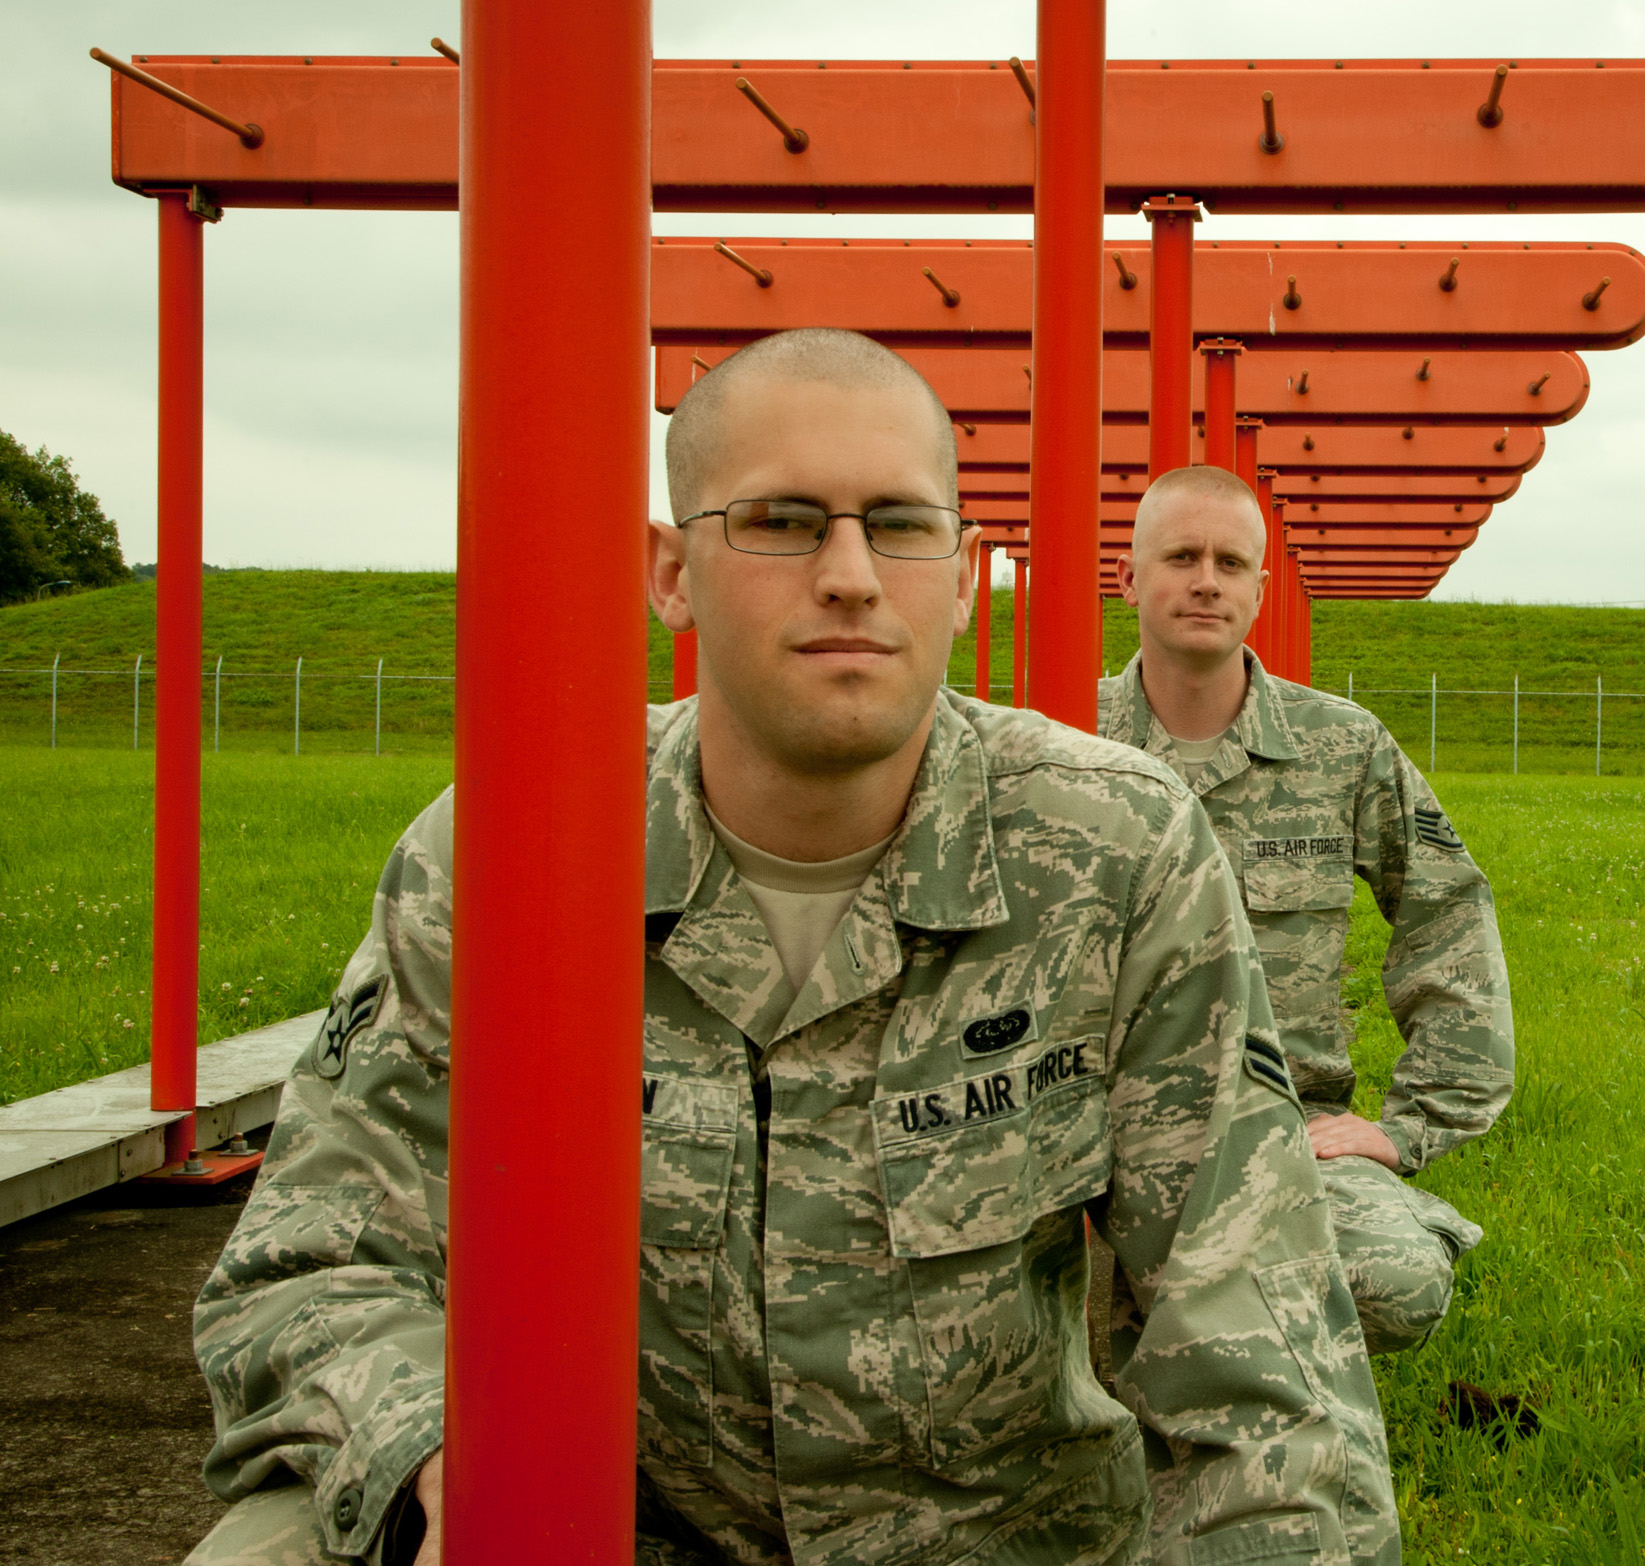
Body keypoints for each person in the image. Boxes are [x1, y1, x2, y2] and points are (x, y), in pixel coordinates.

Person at [186, 331, 1397, 1566]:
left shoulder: (1111, 851)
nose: (851, 576)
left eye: (900, 524)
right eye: (780, 520)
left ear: (966, 573)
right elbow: (313, 1263)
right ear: (671, 571)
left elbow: (1254, 1339)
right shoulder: (512, 855)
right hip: (604, 1532)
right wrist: (446, 1459)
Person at [1098, 466, 1513, 1358]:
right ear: (1129, 577)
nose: (1206, 579)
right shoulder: (1062, 740)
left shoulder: (1340, 746)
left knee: (1397, 1284)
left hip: (1281, 1136)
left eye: (1230, 562)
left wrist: (1409, 1128)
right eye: (1180, 556)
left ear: (1260, 585)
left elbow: (1449, 914)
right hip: (1095, 1143)